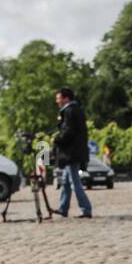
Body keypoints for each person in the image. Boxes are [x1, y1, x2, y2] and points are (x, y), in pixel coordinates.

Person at [52, 87, 92, 219]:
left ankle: (86, 208)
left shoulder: (70, 111)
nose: (57, 101)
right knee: (66, 181)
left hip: (71, 153)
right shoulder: (75, 110)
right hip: (74, 152)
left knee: (74, 182)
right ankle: (63, 208)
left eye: (59, 98)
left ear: (66, 98)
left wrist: (56, 139)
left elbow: (68, 132)